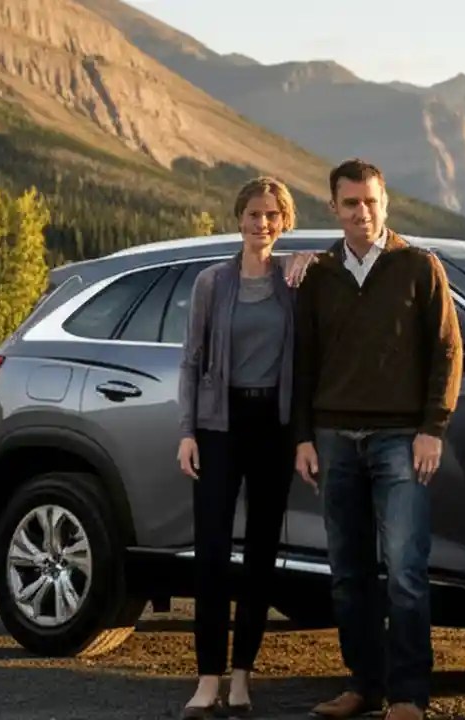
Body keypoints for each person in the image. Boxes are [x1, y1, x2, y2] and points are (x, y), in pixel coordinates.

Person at [292, 158, 463, 720]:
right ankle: (363, 685)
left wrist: (431, 430)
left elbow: (446, 351)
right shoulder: (318, 275)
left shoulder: (419, 266)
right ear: (334, 208)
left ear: (385, 203)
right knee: (347, 572)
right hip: (333, 436)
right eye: (350, 203)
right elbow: (304, 360)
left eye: (370, 201)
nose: (361, 212)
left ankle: (409, 694)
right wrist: (303, 438)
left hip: (399, 439)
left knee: (406, 571)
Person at [176, 176, 301, 719]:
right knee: (211, 556)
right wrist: (186, 430)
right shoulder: (212, 282)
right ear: (240, 218)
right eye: (253, 213)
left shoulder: (294, 282)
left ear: (284, 221)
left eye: (272, 215)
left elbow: (347, 263)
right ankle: (207, 680)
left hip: (272, 426)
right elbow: (190, 359)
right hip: (218, 425)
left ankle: (243, 675)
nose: (262, 223)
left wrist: (313, 257)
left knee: (260, 557)